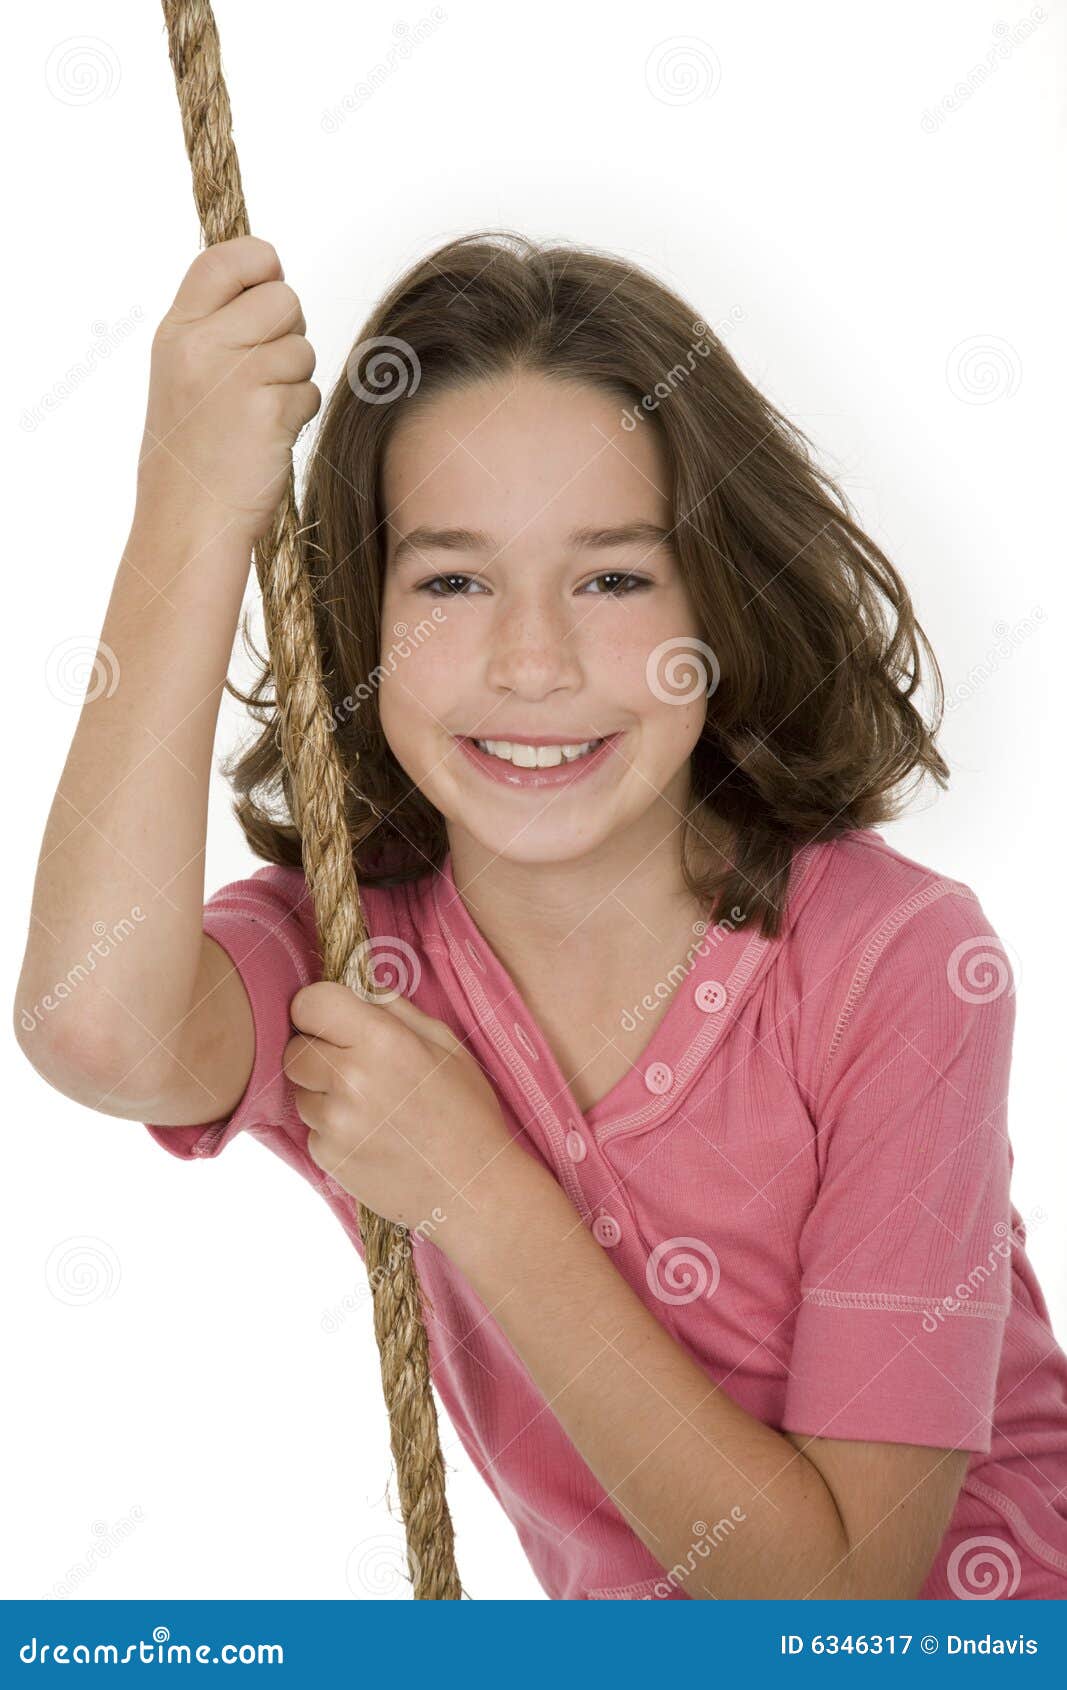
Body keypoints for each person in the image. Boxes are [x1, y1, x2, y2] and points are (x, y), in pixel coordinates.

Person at [15, 231, 1067, 1601]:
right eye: (451, 580)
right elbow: (95, 1026)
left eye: (615, 578)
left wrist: (473, 1188)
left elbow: (839, 1600)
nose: (532, 660)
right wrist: (191, 513)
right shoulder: (357, 954)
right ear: (361, 619)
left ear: (722, 605)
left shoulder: (898, 960)